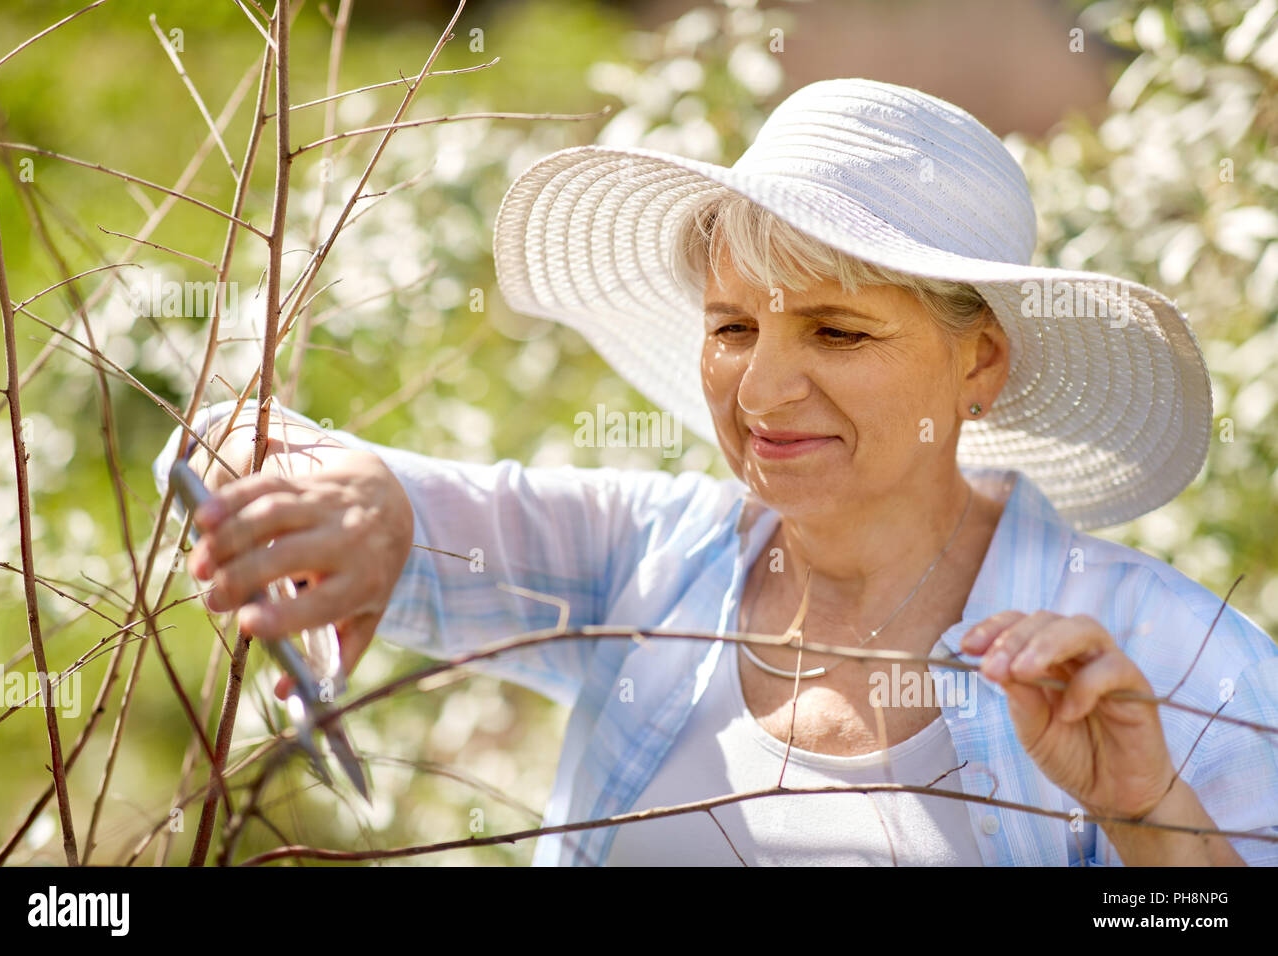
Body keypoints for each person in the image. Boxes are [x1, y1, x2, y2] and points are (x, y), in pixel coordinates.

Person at [151, 77, 1278, 866]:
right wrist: (339, 506)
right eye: (733, 326)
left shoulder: (1175, 656)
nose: (762, 392)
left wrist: (1148, 818)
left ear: (978, 357)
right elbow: (269, 455)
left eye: (837, 333)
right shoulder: (646, 558)